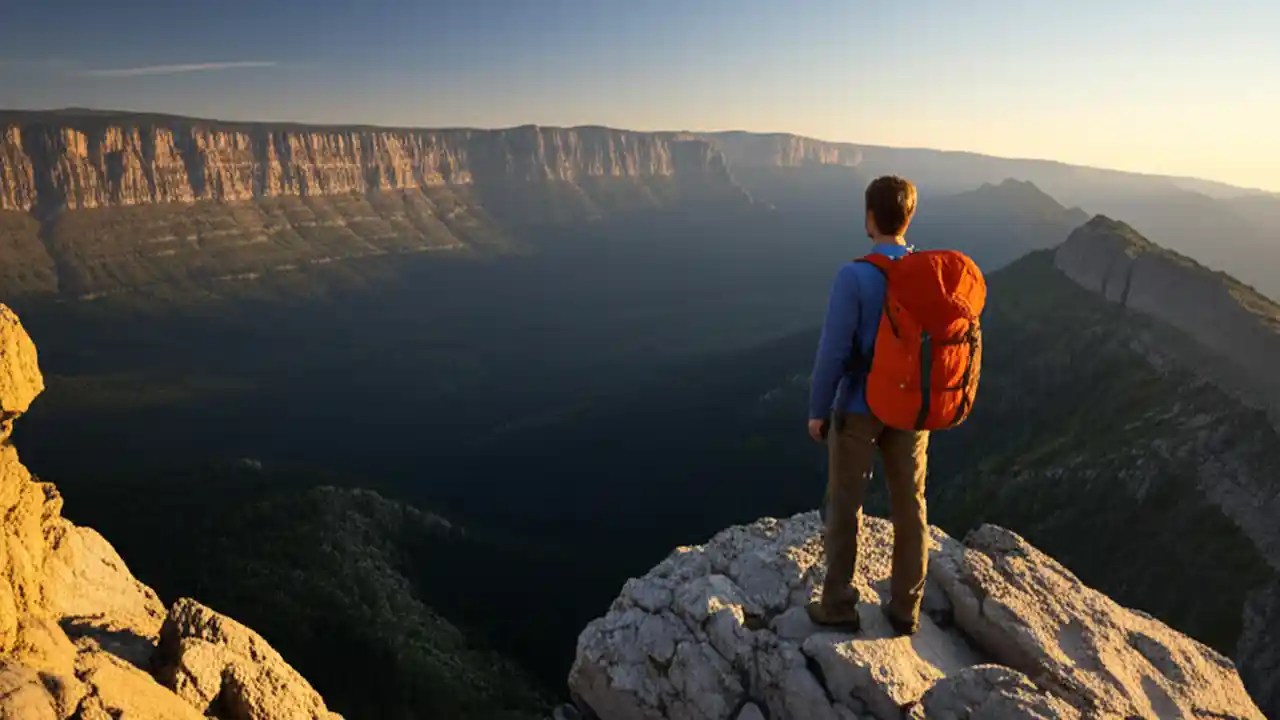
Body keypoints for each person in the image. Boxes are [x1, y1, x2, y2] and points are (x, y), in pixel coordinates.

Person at [806, 175, 928, 636]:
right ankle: (904, 609)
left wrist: (818, 410)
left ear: (869, 217)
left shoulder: (853, 275)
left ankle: (838, 604)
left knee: (845, 506)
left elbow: (833, 350)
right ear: (909, 217)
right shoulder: (925, 274)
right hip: (912, 408)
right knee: (910, 506)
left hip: (859, 405)